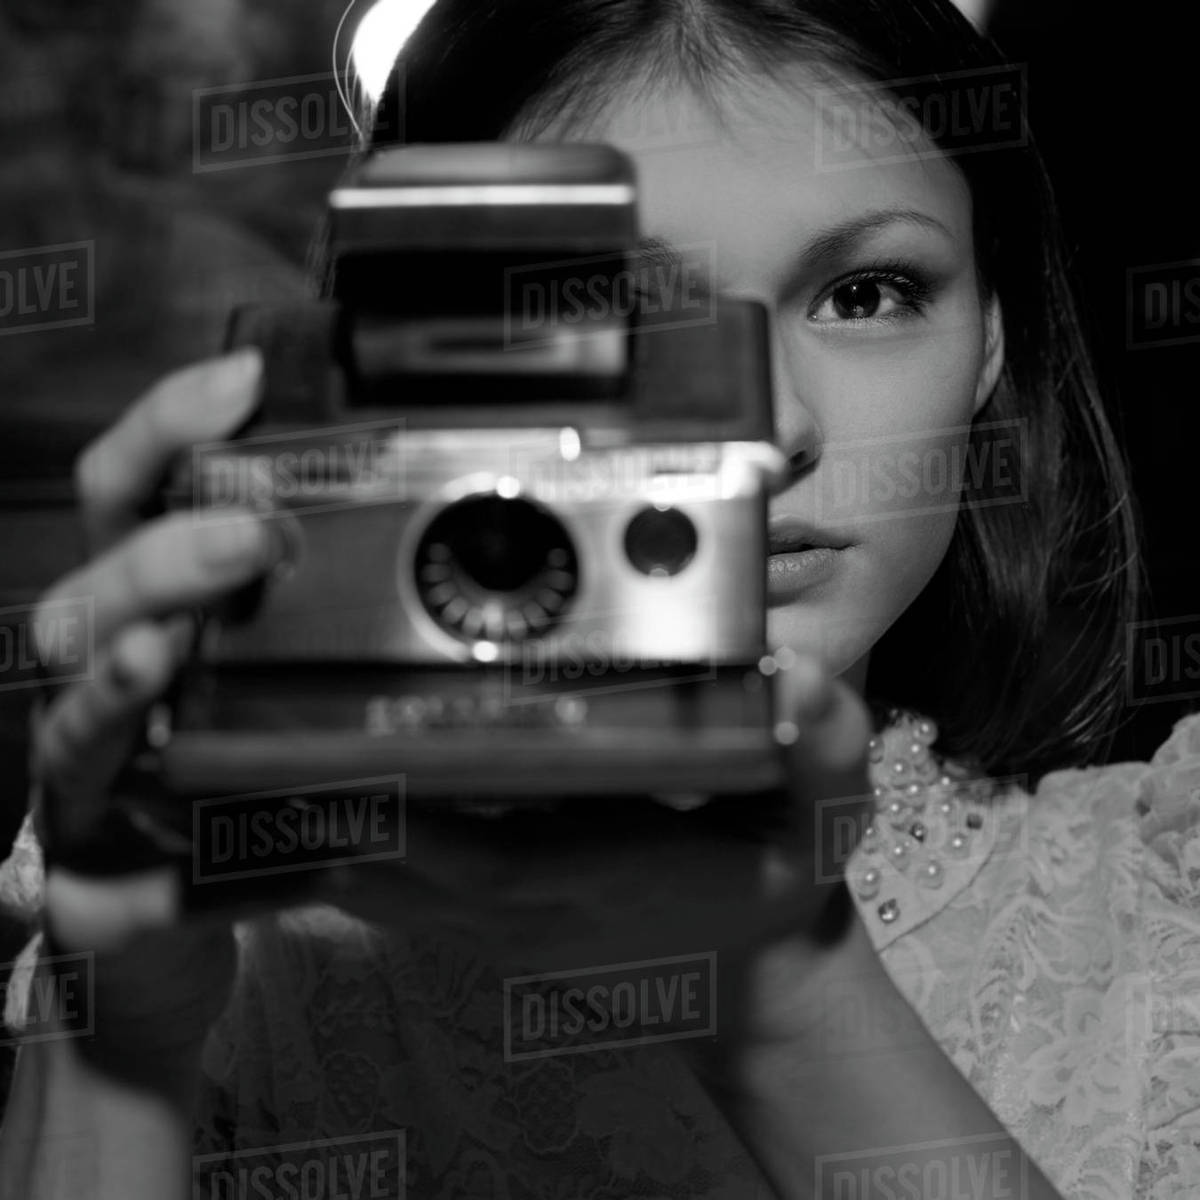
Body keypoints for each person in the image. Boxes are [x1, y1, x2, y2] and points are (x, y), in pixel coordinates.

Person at [1, 0, 1195, 1196]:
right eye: (619, 313)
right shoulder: (250, 929)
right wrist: (119, 1052)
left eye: (869, 293)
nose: (772, 428)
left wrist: (777, 989)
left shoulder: (1161, 906)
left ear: (990, 336)